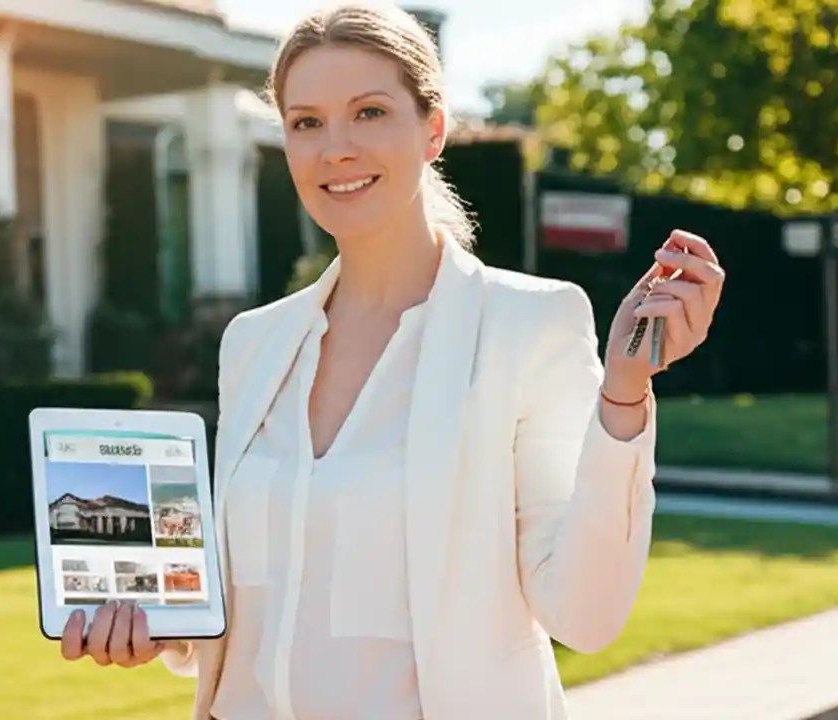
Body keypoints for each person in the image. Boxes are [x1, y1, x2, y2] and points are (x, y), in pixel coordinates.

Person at [59, 4, 725, 719]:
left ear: (433, 129)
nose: (335, 148)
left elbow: (584, 614)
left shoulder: (528, 325)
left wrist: (624, 394)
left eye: (369, 113)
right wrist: (157, 625)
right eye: (306, 122)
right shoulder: (254, 343)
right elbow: (253, 598)